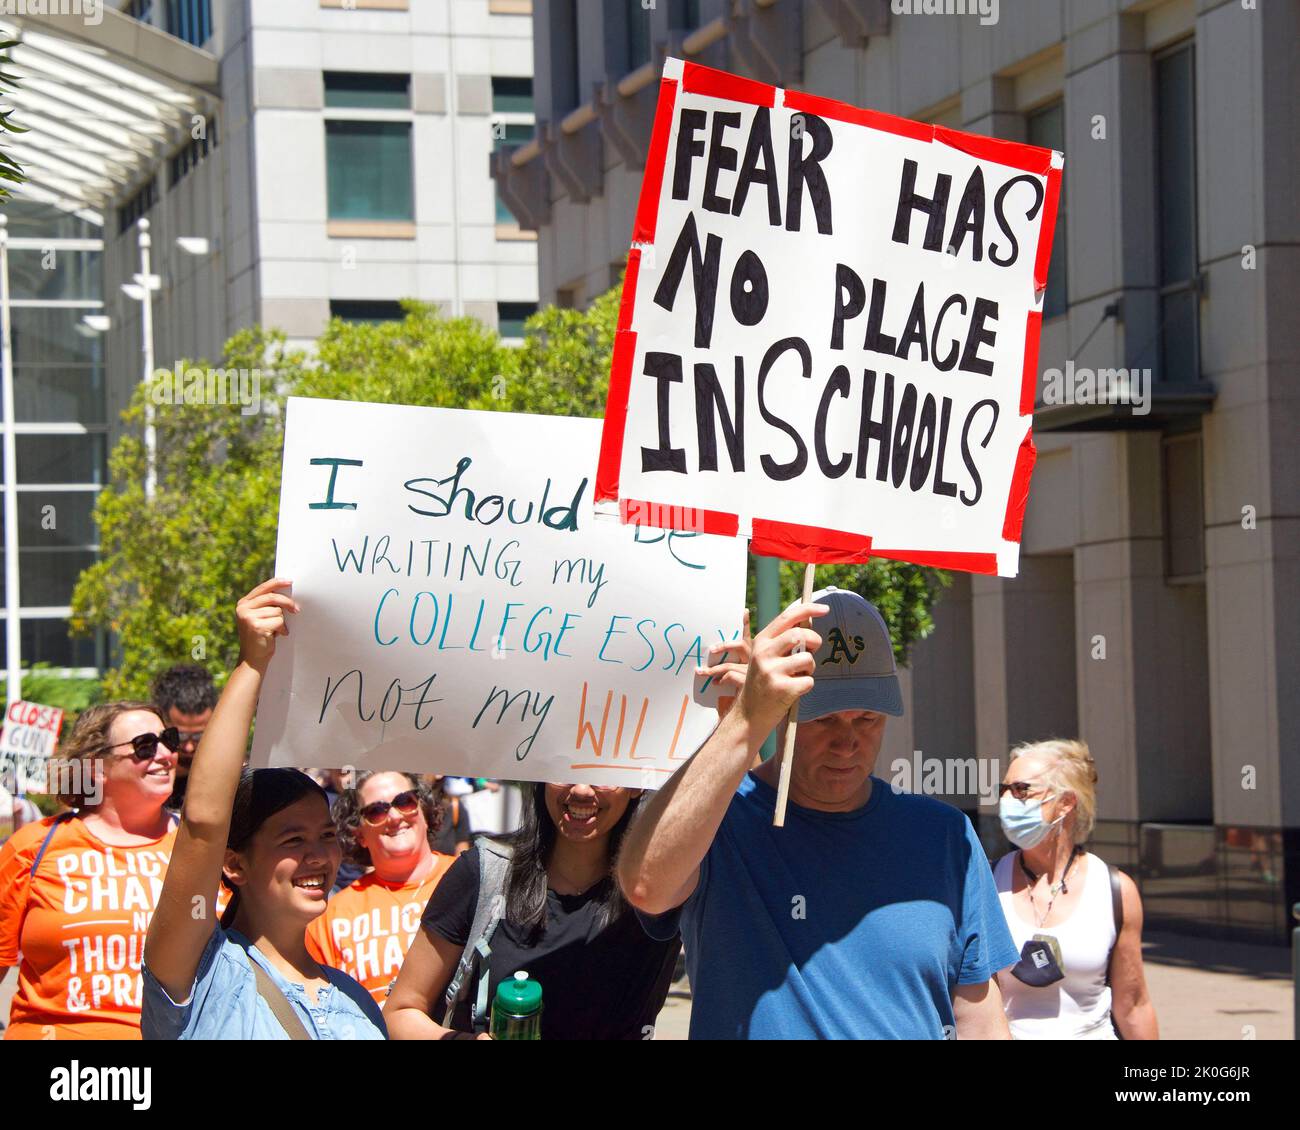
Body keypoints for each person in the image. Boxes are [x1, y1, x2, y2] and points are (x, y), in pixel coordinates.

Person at [618, 588, 1019, 1040]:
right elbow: (645, 885)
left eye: (867, 718)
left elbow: (979, 1016)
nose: (847, 742)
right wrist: (743, 720)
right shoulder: (719, 821)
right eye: (824, 718)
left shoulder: (946, 836)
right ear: (780, 711)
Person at [141, 579, 385, 1040]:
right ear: (234, 863)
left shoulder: (361, 1005)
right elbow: (204, 822)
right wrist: (252, 663)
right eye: (293, 839)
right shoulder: (199, 975)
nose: (318, 855)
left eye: (327, 835)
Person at [386, 781, 680, 1040]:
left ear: (635, 785)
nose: (580, 789)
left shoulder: (670, 892)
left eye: (600, 776)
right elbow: (400, 1012)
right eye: (564, 768)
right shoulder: (483, 873)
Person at [0, 702, 185, 1038]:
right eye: (144, 745)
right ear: (96, 767)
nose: (164, 754)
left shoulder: (205, 848)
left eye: (169, 740)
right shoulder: (33, 847)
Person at [993, 739, 1158, 1039]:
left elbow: (1132, 1005)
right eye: (1003, 790)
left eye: (1021, 790)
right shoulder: (987, 882)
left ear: (1066, 802)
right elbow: (973, 1000)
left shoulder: (1115, 891)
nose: (1007, 800)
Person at [307, 771, 455, 1005]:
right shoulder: (332, 916)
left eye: (405, 802)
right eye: (376, 811)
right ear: (359, 834)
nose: (394, 817)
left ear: (424, 811)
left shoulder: (468, 881)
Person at [152, 664, 218, 811]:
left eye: (198, 737)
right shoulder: (142, 773)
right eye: (180, 736)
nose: (189, 747)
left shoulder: (228, 776)